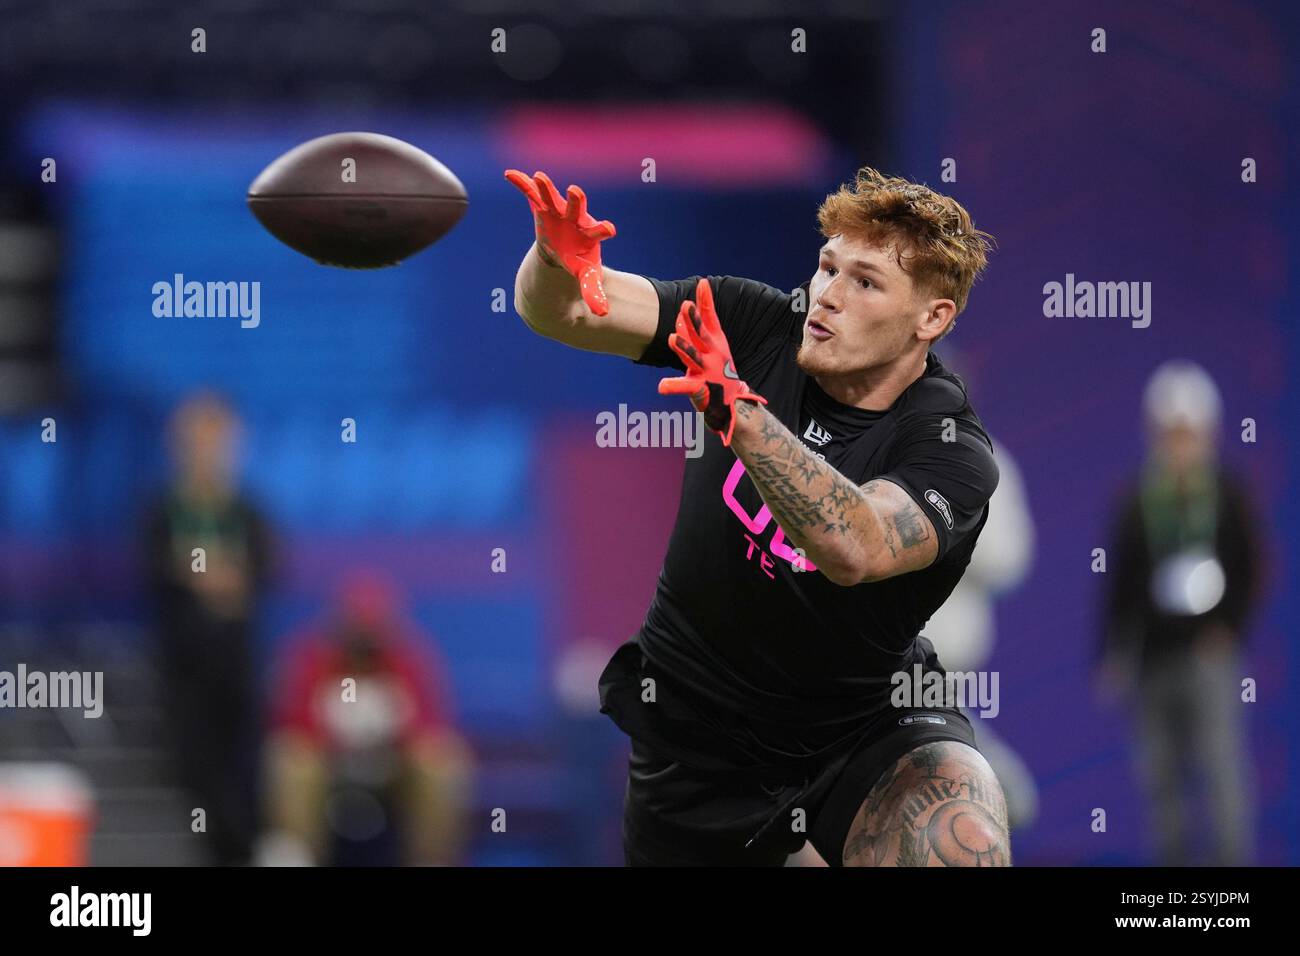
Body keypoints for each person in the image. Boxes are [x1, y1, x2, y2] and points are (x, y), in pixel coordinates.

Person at [507, 166, 1010, 866]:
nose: (827, 296)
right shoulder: (749, 325)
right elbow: (564, 311)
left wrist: (737, 412)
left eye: (864, 282)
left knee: (961, 833)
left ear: (932, 318)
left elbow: (855, 544)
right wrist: (556, 264)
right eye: (827, 266)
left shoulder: (952, 450)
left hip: (858, 729)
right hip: (696, 746)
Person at [1097, 360, 1261, 865]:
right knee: (1160, 782)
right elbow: (1119, 584)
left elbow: (1251, 565)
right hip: (1152, 661)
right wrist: (1112, 652)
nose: (1179, 445)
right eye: (1170, 434)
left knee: (1220, 773)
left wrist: (1228, 629)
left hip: (1207, 661)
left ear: (1207, 435)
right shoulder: (1138, 500)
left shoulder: (1227, 494)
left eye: (1188, 434)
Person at [142, 391, 274, 865]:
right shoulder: (163, 510)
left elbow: (264, 569)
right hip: (183, 665)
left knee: (242, 769)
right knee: (194, 772)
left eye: (216, 438)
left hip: (236, 664)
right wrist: (208, 577)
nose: (206, 449)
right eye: (195, 438)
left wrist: (204, 574)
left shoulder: (247, 512)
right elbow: (157, 568)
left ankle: (242, 851)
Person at [262, 570, 474, 866]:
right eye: (358, 630)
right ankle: (297, 858)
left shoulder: (410, 659)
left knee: (441, 763)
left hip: (391, 764)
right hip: (329, 762)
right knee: (291, 759)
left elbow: (430, 725)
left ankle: (432, 860)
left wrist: (393, 735)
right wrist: (337, 736)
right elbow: (292, 722)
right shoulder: (311, 658)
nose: (366, 640)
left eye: (373, 631)